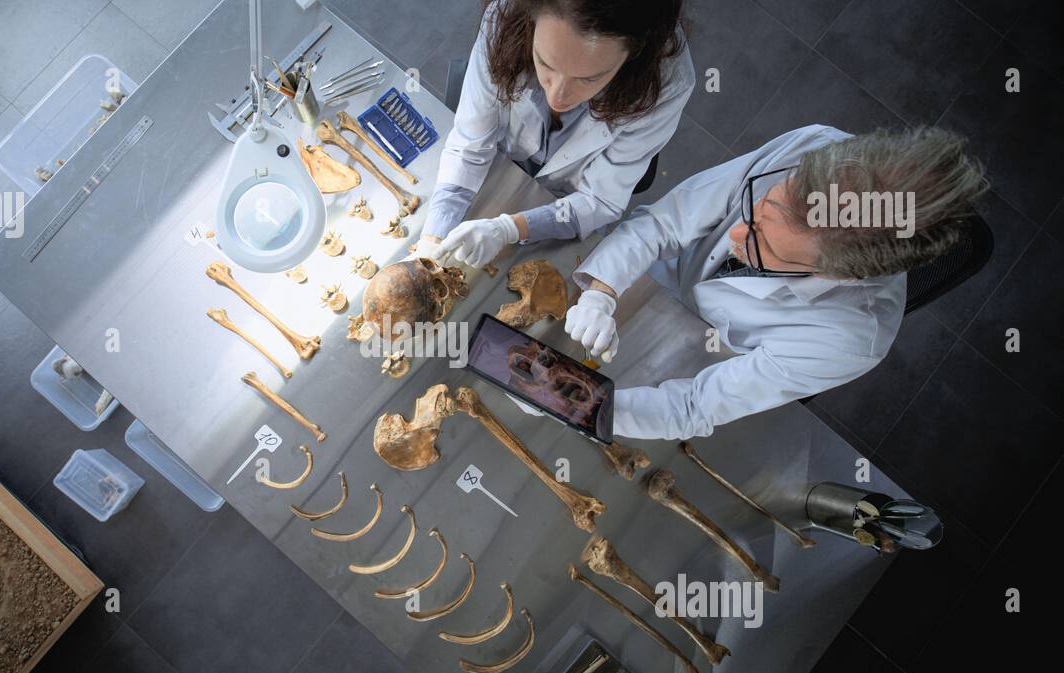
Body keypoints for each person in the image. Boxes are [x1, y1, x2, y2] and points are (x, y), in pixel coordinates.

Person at [561, 124, 988, 440]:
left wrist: (579, 403)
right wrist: (601, 292)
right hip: (642, 274)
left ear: (837, 275)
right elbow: (665, 224)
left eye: (766, 245)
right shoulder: (814, 147)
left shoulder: (850, 339)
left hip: (694, 361)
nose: (735, 235)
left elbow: (693, 405)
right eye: (759, 208)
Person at [419, 0, 694, 268]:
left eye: (588, 79)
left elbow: (599, 200)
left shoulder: (665, 86)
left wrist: (509, 229)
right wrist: (432, 239)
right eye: (545, 63)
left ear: (634, 52)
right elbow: (469, 146)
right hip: (508, 150)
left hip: (570, 193)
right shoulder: (505, 17)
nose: (557, 96)